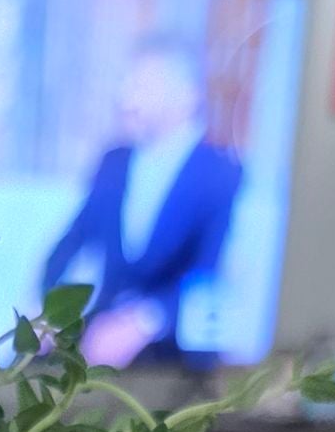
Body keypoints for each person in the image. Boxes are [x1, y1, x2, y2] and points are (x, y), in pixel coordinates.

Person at [40, 39, 242, 369]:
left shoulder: (222, 173)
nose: (126, 98)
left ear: (188, 96)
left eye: (144, 85)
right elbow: (71, 243)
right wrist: (48, 311)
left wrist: (145, 322)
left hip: (173, 352)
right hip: (98, 339)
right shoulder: (114, 162)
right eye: (128, 83)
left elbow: (210, 274)